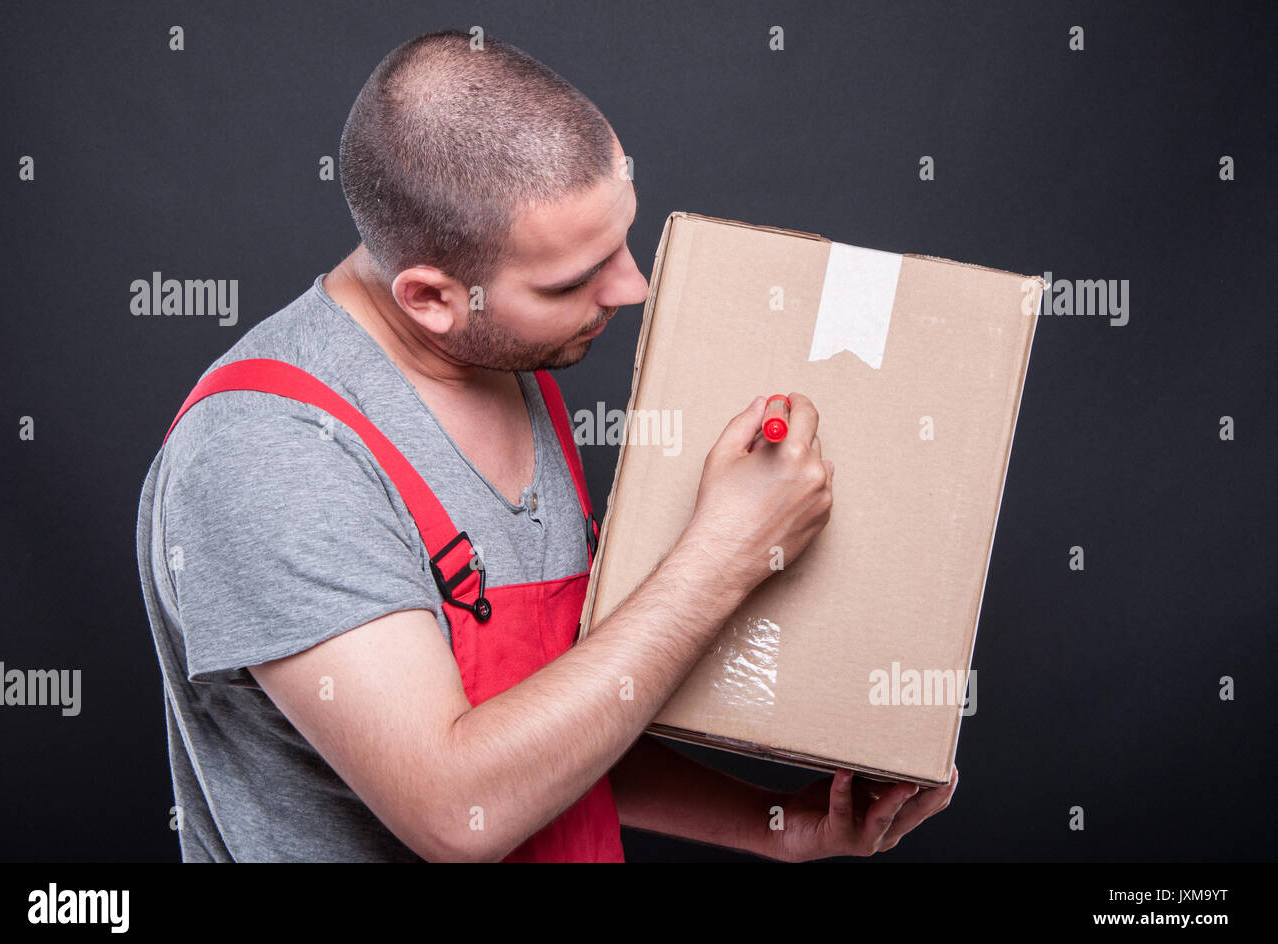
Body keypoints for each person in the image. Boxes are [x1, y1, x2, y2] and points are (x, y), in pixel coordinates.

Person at [135, 28, 955, 863]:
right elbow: (459, 809)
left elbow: (562, 720)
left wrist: (777, 825)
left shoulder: (504, 361)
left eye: (621, 242)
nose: (632, 288)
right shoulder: (270, 453)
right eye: (571, 280)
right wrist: (724, 554)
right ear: (431, 298)